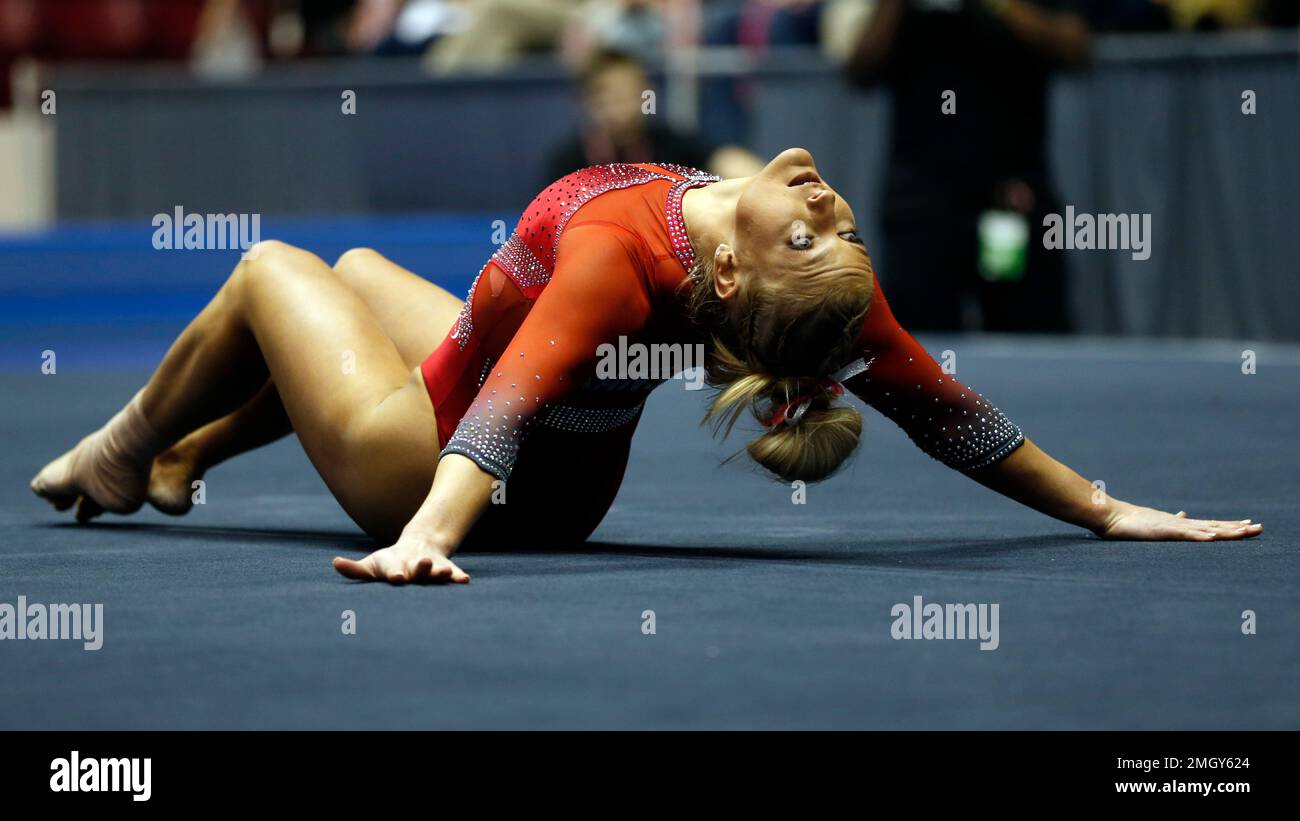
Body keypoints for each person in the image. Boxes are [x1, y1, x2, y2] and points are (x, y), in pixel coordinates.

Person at [30, 149, 1263, 585]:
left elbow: (504, 407)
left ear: (731, 285)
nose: (829, 207)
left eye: (813, 232)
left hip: (428, 464)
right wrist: (1102, 506)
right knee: (353, 271)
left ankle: (127, 447)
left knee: (265, 272)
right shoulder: (818, 289)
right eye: (833, 226)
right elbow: (953, 416)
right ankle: (188, 454)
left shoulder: (623, 257)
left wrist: (427, 531)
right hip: (552, 478)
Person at [845, 0, 1090, 333]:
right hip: (922, 203)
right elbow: (859, 70)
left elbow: (1075, 50)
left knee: (1031, 340)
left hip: (1012, 199)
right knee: (919, 349)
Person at [545, 49, 763, 186]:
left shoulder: (672, 145)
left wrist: (764, 182)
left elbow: (727, 160)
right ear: (588, 102)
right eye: (608, 96)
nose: (619, 106)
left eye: (628, 93)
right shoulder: (567, 163)